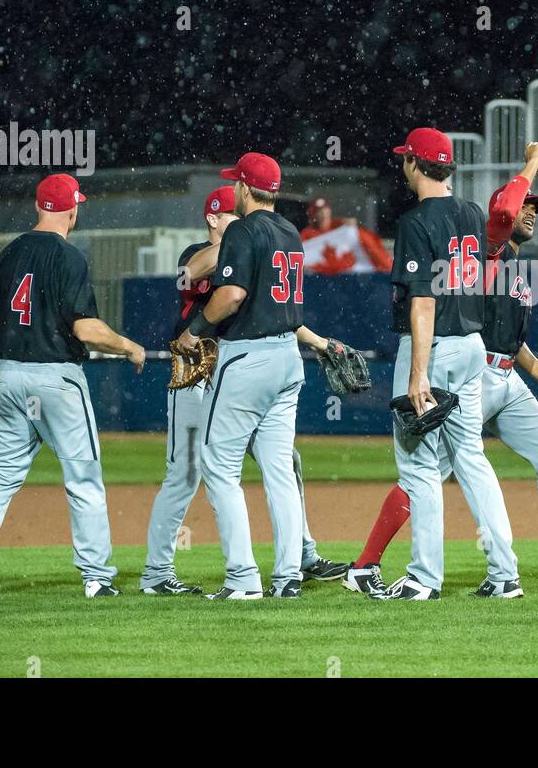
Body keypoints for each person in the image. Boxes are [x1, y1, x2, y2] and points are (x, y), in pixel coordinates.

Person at [345, 144, 538, 595]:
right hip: (476, 364)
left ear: (414, 164)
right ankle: (380, 563)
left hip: (475, 363)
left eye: (536, 208)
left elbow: (444, 309)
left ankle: (443, 576)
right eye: (526, 206)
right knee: (446, 467)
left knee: (431, 468)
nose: (530, 213)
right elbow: (501, 215)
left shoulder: (490, 252)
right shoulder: (483, 237)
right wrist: (531, 164)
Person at [0, 174, 146, 600]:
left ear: (39, 208)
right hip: (56, 380)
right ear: (72, 210)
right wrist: (129, 346)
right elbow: (86, 329)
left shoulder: (8, 254)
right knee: (83, 477)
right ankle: (96, 578)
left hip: (10, 377)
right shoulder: (69, 258)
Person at [140, 186, 348, 595]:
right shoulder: (200, 253)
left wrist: (322, 342)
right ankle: (158, 571)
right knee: (185, 472)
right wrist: (245, 238)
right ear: (212, 220)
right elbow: (191, 274)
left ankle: (300, 557)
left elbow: (276, 313)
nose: (235, 220)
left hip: (243, 369)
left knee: (285, 463)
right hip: (196, 373)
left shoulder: (252, 241)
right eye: (225, 217)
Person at [376, 127, 518, 600]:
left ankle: (423, 577)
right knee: (472, 459)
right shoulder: (472, 212)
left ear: (415, 164)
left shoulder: (416, 222)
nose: (403, 166)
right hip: (472, 346)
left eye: (405, 159)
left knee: (418, 466)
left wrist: (419, 373)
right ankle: (505, 574)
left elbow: (422, 302)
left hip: (433, 349)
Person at [174, 152, 309, 599]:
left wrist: (194, 332)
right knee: (279, 471)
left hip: (247, 357)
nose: (233, 189)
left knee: (219, 465)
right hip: (289, 356)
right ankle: (289, 575)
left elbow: (230, 295)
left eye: (236, 184)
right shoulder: (290, 231)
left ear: (246, 189)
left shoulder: (243, 230)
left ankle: (243, 579)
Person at [300, 196, 393, 272]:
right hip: (324, 277)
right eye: (319, 213)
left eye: (325, 212)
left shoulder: (338, 226)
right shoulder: (307, 234)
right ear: (313, 216)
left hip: (348, 274)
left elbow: (354, 233)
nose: (322, 216)